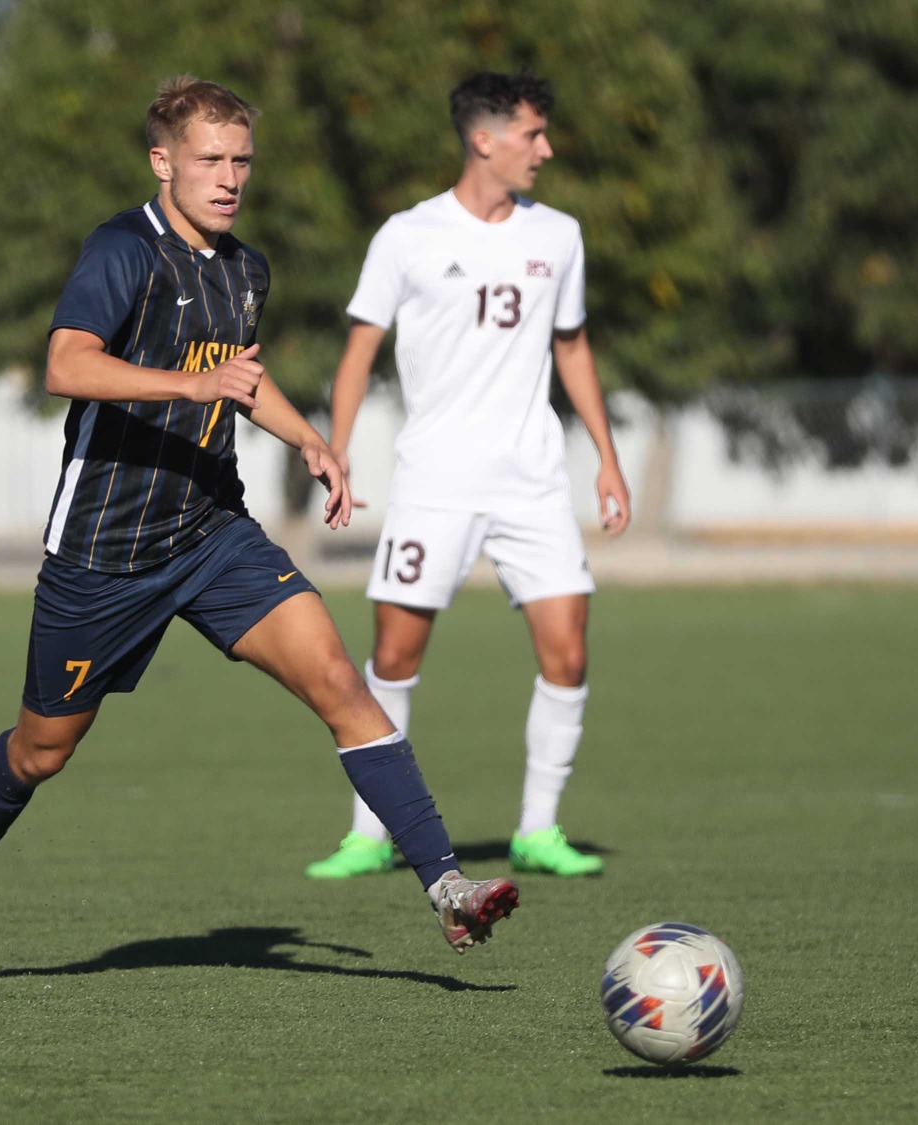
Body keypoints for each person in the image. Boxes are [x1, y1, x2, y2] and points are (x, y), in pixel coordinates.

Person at [0, 77, 520, 976]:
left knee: (339, 680)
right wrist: (192, 386)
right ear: (163, 162)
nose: (230, 178)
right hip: (103, 553)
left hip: (210, 532)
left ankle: (448, 886)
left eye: (242, 161)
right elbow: (67, 364)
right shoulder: (122, 250)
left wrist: (311, 440)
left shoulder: (245, 269)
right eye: (211, 160)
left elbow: (241, 378)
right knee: (41, 750)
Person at [304, 68, 631, 882]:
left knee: (569, 652)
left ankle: (538, 829)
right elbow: (360, 351)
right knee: (394, 654)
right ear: (484, 139)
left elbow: (572, 347)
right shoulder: (407, 235)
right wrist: (337, 447)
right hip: (435, 481)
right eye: (532, 134)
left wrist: (608, 457)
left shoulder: (559, 235)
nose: (545, 150)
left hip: (532, 479)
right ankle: (369, 833)